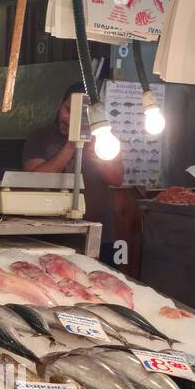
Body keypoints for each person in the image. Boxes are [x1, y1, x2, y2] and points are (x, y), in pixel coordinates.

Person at [22, 83, 124, 264]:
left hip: (99, 233)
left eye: (82, 117)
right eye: (67, 110)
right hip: (51, 235)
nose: (69, 119)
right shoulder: (39, 137)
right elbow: (34, 181)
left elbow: (116, 179)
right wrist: (71, 145)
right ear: (59, 105)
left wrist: (99, 157)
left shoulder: (103, 138)